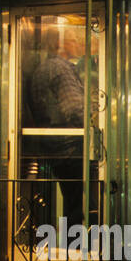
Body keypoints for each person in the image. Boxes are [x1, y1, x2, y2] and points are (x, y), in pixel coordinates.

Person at [27, 24, 87, 228]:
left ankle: (65, 251)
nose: (78, 43)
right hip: (70, 149)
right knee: (79, 207)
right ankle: (78, 253)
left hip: (52, 149)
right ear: (59, 43)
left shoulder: (41, 69)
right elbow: (74, 109)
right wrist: (95, 124)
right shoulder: (60, 68)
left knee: (70, 203)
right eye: (72, 39)